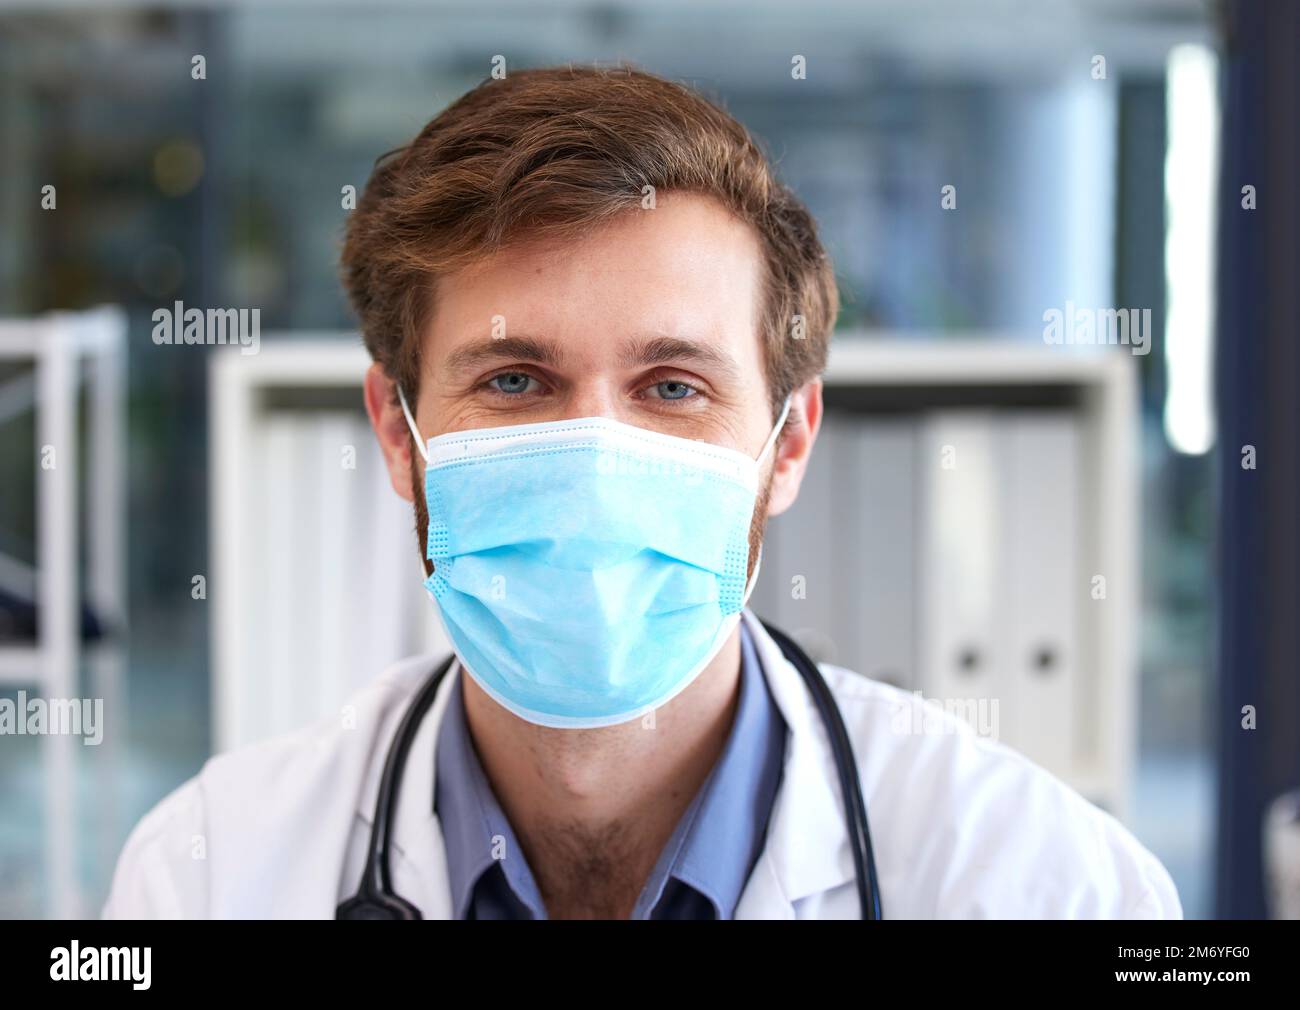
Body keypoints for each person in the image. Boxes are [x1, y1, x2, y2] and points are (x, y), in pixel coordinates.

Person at [103, 64, 1180, 919]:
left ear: (788, 441)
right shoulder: (208, 875)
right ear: (398, 429)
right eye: (514, 379)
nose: (594, 457)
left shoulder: (1047, 884)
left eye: (673, 385)